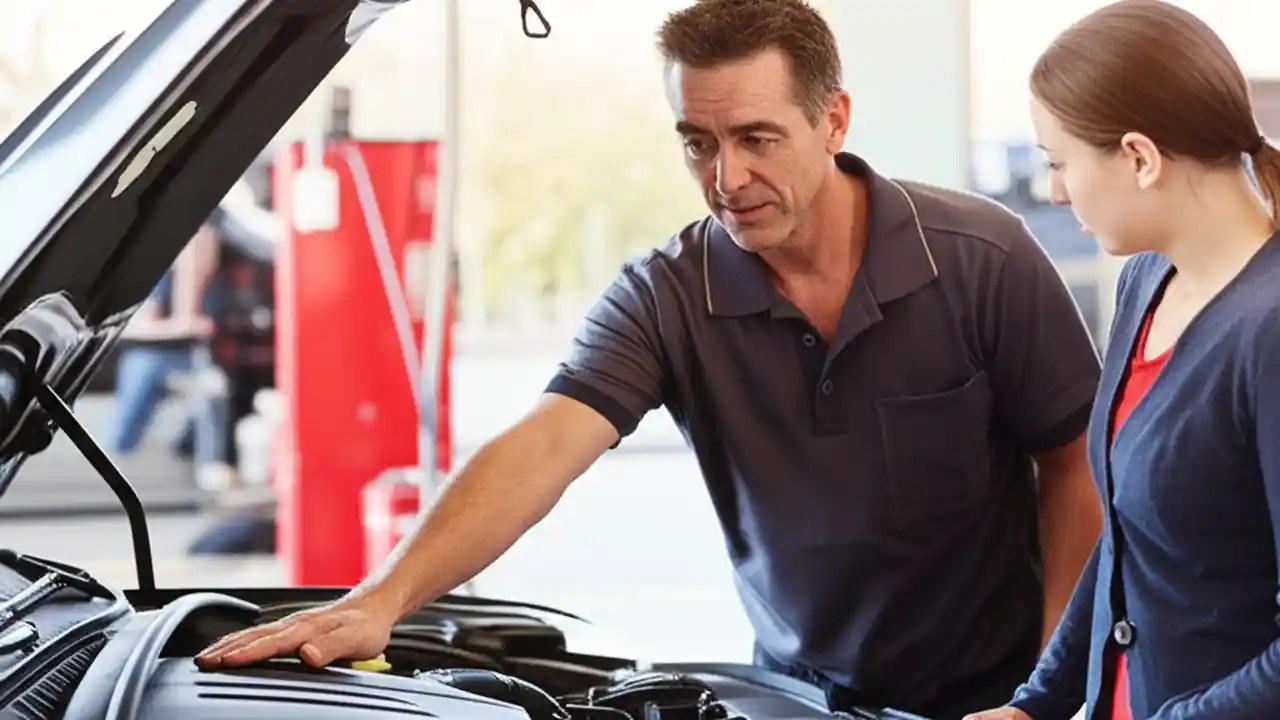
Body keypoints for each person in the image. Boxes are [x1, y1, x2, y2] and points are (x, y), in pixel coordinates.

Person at [196, 1, 1103, 717]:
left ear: (834, 120)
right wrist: (381, 599)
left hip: (1001, 696)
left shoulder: (983, 257)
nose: (726, 179)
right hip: (803, 696)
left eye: (757, 138)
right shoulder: (667, 293)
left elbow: (1075, 465)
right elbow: (544, 446)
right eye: (696, 143)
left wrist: (1051, 690)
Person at [965, 2, 1280, 719]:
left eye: (1059, 162)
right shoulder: (1146, 280)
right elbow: (1129, 539)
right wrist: (1035, 703)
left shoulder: (1269, 333)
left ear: (1139, 157)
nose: (1053, 190)